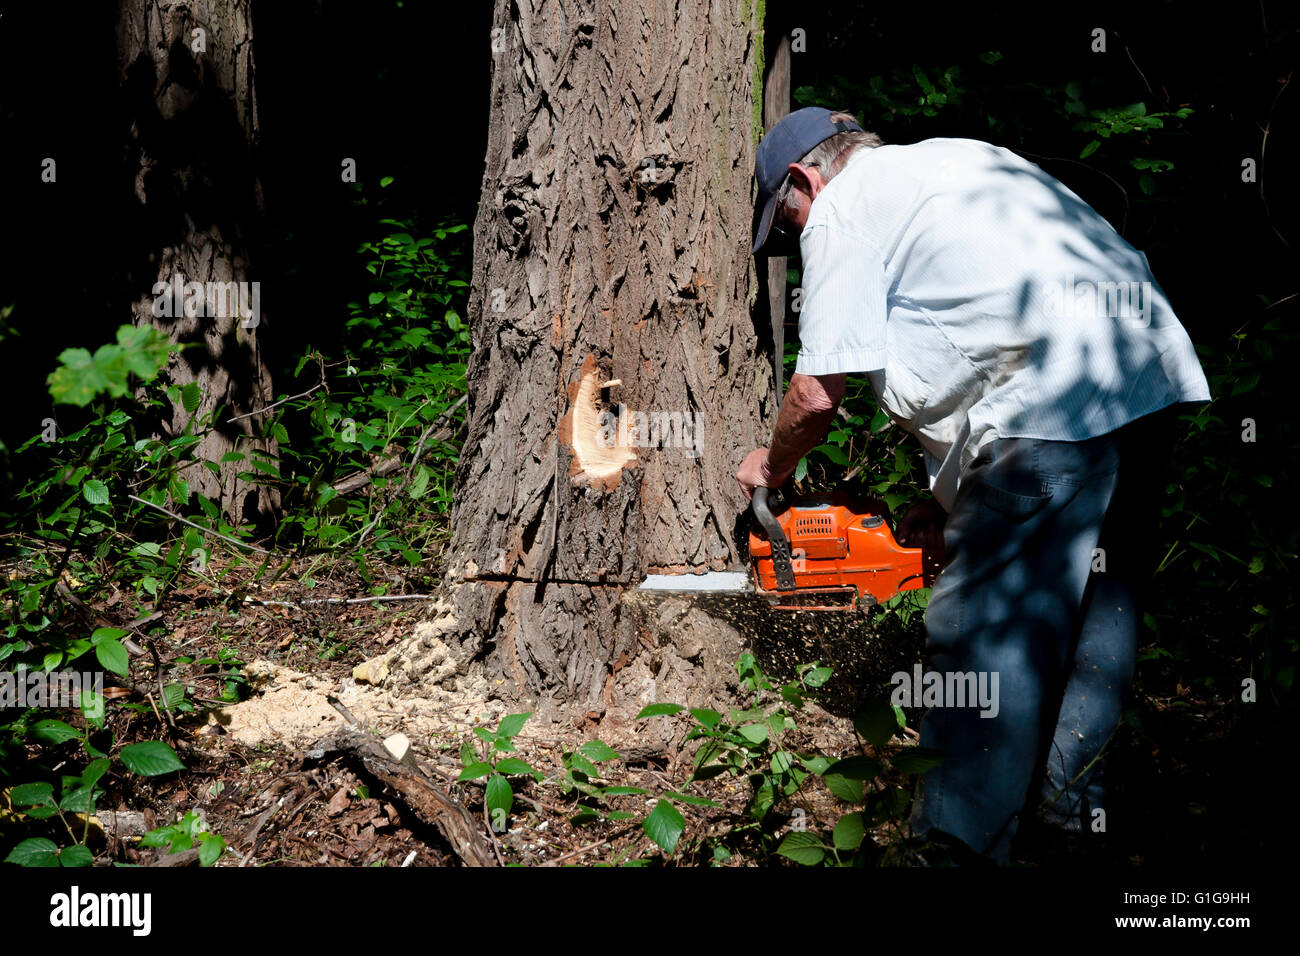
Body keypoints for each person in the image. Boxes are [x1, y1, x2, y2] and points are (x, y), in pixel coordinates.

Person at [737, 107, 1211, 864]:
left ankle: (955, 847)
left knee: (982, 636)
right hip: (1145, 385)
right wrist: (953, 502)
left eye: (787, 222)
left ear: (804, 179)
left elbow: (819, 393)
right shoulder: (956, 164)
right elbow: (985, 333)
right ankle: (1069, 820)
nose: (796, 236)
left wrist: (774, 465)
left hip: (1053, 408)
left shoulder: (845, 208)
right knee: (1096, 620)